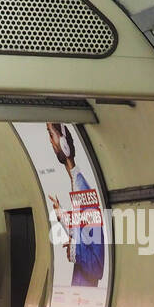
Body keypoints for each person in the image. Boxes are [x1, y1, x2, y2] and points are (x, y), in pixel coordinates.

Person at [45, 122, 105, 287]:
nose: (51, 142)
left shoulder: (83, 190)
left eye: (51, 135)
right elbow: (84, 231)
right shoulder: (77, 186)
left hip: (86, 292)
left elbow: (97, 266)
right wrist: (61, 214)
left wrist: (75, 248)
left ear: (64, 143)